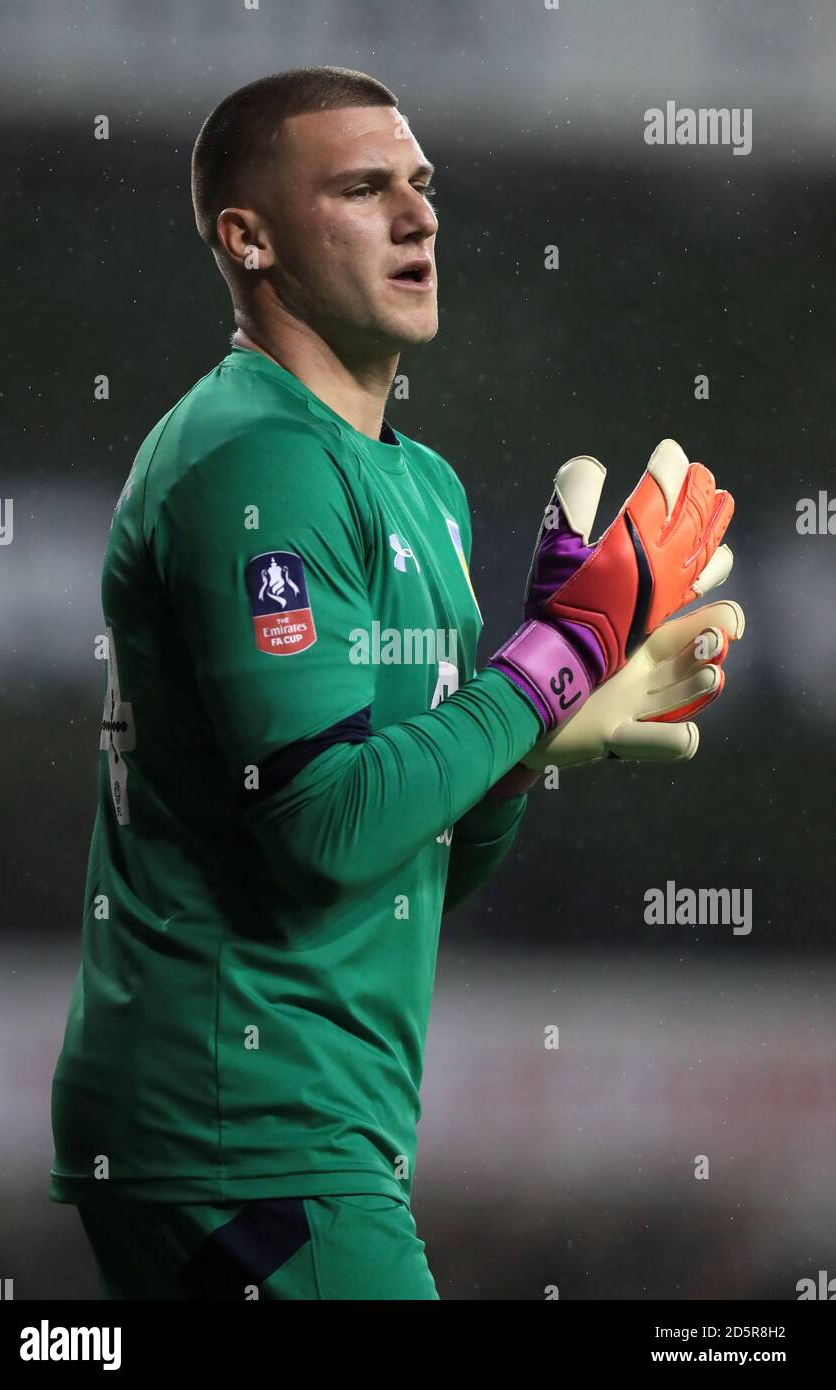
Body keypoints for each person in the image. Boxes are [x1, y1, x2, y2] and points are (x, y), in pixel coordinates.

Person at [49, 66, 736, 1300]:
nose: (419, 216)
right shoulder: (256, 460)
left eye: (420, 185)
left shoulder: (416, 485)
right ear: (246, 237)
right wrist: (556, 659)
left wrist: (528, 742)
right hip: (241, 1129)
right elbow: (320, 827)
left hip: (306, 1129)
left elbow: (413, 863)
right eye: (364, 189)